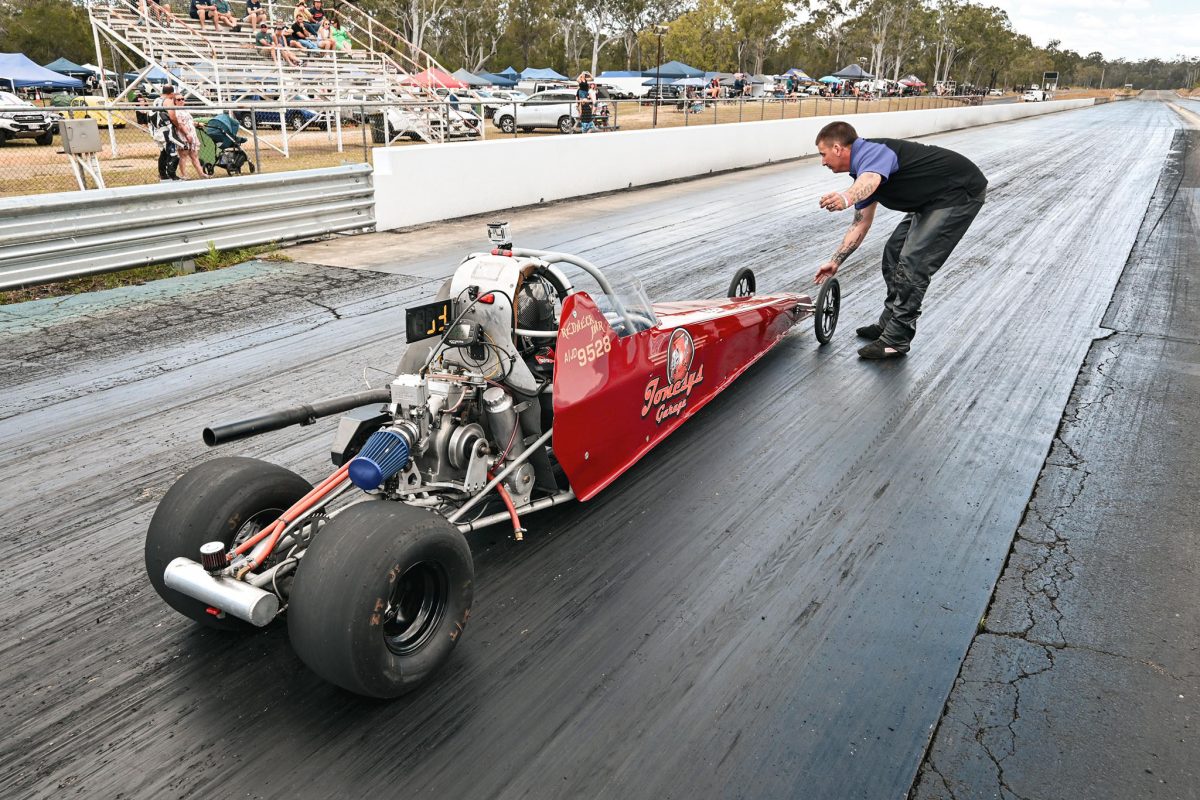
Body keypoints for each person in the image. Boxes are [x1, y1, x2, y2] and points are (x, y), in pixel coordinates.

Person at [813, 120, 987, 359]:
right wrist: (835, 261)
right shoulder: (862, 170)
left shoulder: (873, 153)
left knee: (914, 262)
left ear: (837, 148)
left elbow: (870, 180)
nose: (823, 162)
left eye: (823, 154)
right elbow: (861, 223)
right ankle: (889, 324)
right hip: (931, 200)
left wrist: (846, 197)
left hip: (958, 193)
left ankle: (896, 340)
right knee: (894, 253)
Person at [168, 92, 205, 179]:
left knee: (195, 156)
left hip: (192, 135)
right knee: (183, 155)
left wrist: (198, 124)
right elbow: (180, 125)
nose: (181, 101)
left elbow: (190, 122)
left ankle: (202, 173)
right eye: (178, 99)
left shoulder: (185, 110)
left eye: (182, 99)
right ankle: (184, 175)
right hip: (184, 136)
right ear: (175, 101)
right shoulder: (176, 111)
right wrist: (187, 134)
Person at [150, 86, 180, 181]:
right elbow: (172, 116)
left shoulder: (156, 100)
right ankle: (172, 175)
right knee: (172, 153)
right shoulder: (168, 101)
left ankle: (163, 174)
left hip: (157, 130)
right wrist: (177, 126)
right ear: (171, 93)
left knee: (163, 153)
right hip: (165, 130)